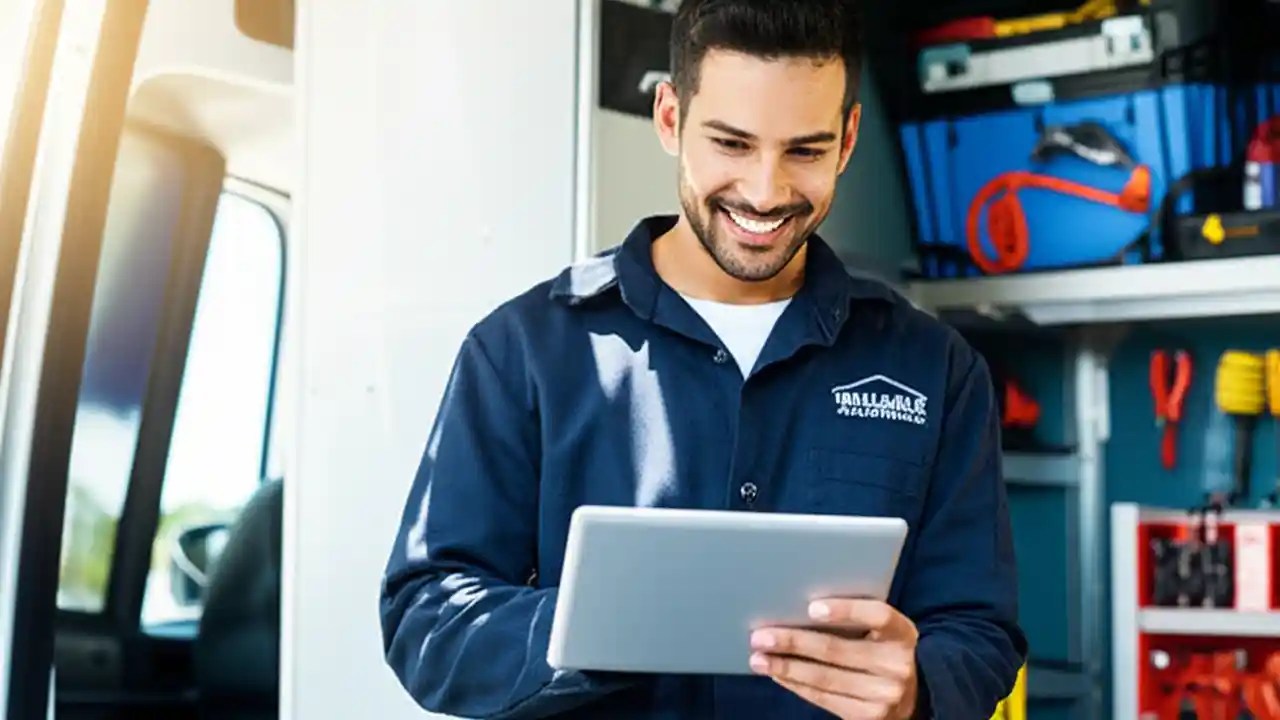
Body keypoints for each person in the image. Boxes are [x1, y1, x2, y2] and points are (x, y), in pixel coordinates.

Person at [380, 0, 1027, 717]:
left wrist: (918, 687)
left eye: (805, 151)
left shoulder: (936, 370)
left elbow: (980, 631)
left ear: (847, 141)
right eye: (732, 143)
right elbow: (426, 617)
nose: (765, 191)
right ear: (669, 118)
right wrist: (591, 626)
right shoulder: (522, 351)